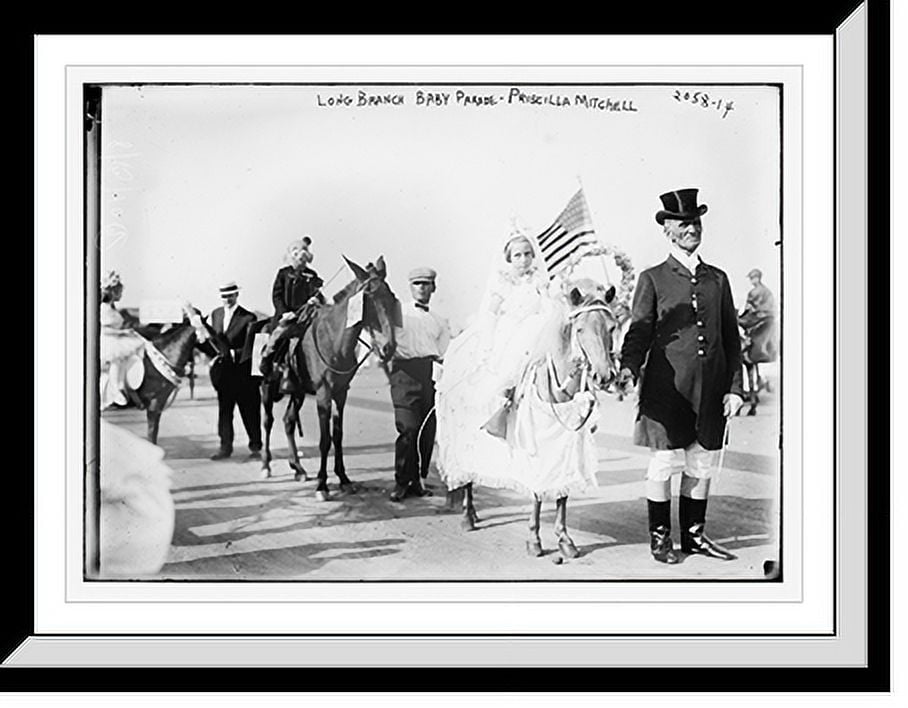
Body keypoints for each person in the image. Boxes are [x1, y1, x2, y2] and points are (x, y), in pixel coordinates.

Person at [618, 188, 745, 564]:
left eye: (696, 222)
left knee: (700, 462)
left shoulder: (717, 279)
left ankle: (694, 537)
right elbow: (640, 330)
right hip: (666, 389)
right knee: (662, 463)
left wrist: (735, 388)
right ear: (667, 230)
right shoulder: (653, 278)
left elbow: (731, 338)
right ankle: (660, 539)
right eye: (683, 224)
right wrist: (629, 367)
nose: (692, 229)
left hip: (710, 389)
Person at [435, 226, 598, 500]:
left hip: (538, 331)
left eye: (527, 254)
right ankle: (507, 400)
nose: (523, 260)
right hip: (511, 332)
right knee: (509, 366)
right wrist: (487, 344)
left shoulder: (540, 281)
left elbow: (551, 308)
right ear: (509, 259)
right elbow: (490, 315)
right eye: (517, 255)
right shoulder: (503, 283)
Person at [388, 267, 451, 502]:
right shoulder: (398, 313)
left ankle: (418, 480)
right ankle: (401, 482)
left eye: (426, 284)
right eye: (417, 284)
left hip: (429, 373)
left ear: (433, 287)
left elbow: (444, 352)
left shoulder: (439, 321)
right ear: (410, 287)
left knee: (426, 431)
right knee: (408, 428)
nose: (422, 288)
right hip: (404, 372)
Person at [201, 281, 263, 461]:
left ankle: (256, 448)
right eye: (224, 297)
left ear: (236, 295)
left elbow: (252, 346)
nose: (227, 300)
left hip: (243, 374)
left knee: (249, 412)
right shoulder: (215, 314)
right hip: (224, 375)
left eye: (230, 296)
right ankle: (225, 448)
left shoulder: (248, 317)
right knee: (225, 412)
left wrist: (234, 353)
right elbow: (213, 341)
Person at [261, 236, 325, 392]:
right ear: (292, 257)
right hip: (287, 316)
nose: (301, 261)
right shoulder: (283, 273)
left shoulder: (312, 275)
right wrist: (284, 313)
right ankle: (267, 361)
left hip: (306, 316)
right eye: (297, 257)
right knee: (279, 334)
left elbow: (318, 293)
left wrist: (315, 299)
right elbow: (276, 295)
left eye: (304, 258)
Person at [99, 270, 147, 410]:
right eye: (119, 291)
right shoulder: (104, 308)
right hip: (107, 340)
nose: (121, 294)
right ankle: (116, 389)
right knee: (117, 358)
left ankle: (128, 385)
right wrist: (123, 332)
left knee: (138, 345)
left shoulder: (113, 309)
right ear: (113, 292)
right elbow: (102, 329)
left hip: (115, 338)